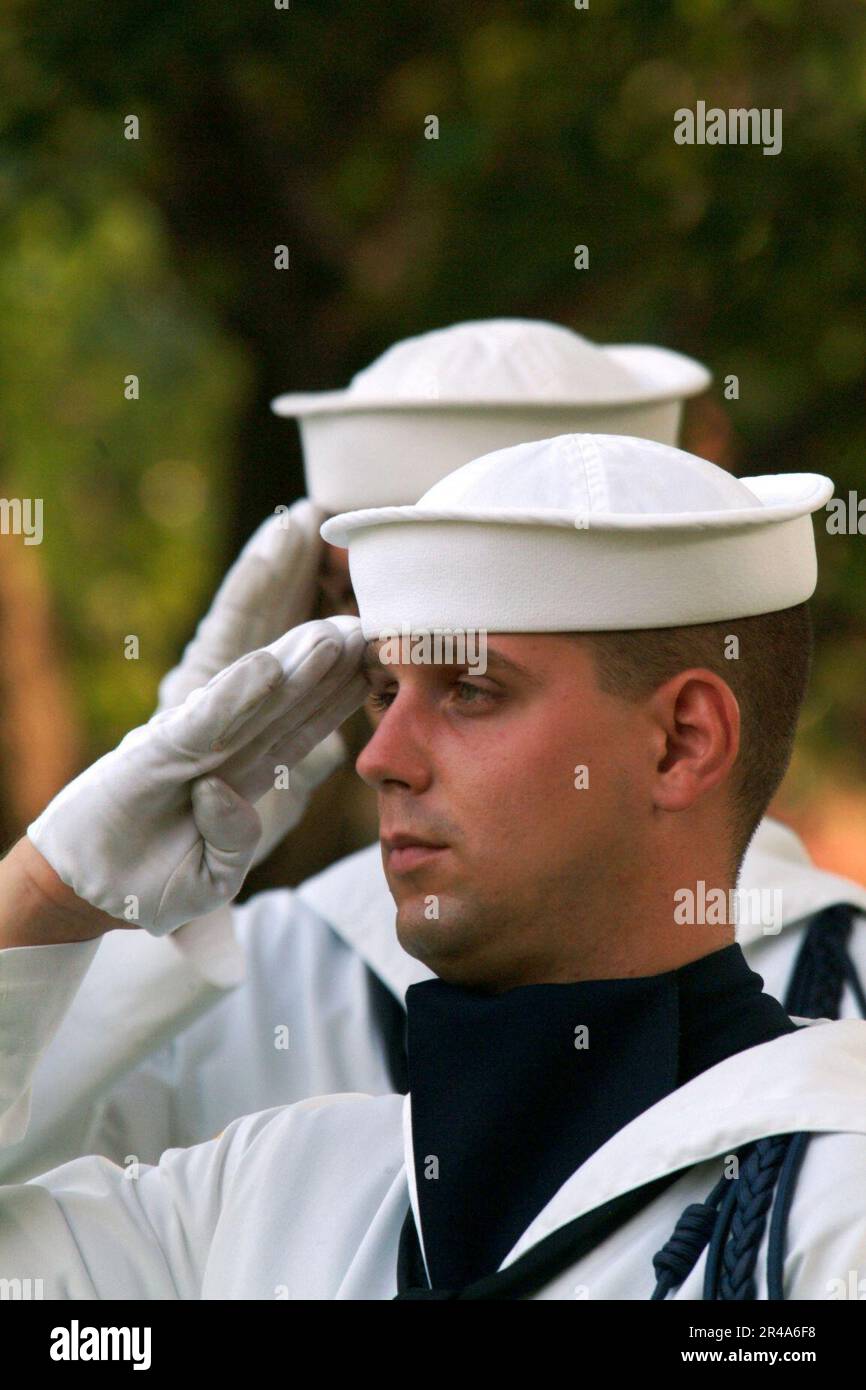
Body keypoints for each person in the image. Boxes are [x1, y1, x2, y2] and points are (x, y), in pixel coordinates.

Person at [1, 434, 864, 1301]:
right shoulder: (266, 1194)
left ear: (681, 744)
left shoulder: (837, 1208)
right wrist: (44, 889)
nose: (379, 756)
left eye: (470, 690)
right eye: (384, 693)